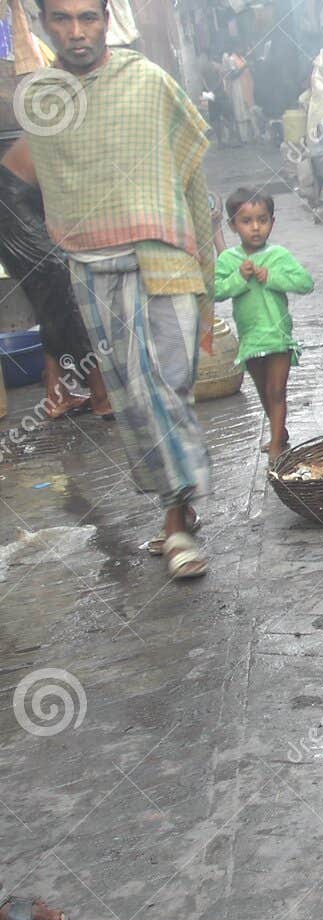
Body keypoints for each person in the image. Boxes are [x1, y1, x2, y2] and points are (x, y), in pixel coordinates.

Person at [11, 0, 218, 580]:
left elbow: (190, 168)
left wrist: (207, 250)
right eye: (62, 19)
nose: (76, 32)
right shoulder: (42, 99)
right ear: (44, 24)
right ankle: (177, 517)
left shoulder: (146, 80)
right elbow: (30, 174)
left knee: (168, 388)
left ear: (107, 20)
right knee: (133, 395)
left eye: (88, 18)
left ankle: (177, 512)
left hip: (164, 255)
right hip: (92, 268)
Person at [0, 156, 112, 419]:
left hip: (26, 192)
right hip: (11, 196)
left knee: (50, 297)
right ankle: (101, 394)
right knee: (60, 285)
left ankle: (58, 394)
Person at [214, 187, 314, 459]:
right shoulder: (228, 260)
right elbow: (216, 291)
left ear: (272, 221)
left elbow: (306, 283)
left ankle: (276, 447)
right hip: (250, 339)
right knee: (263, 391)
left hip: (278, 336)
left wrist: (271, 277)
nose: (256, 227)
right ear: (233, 225)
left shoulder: (278, 255)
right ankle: (279, 432)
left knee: (277, 390)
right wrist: (239, 277)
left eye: (263, 220)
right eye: (246, 221)